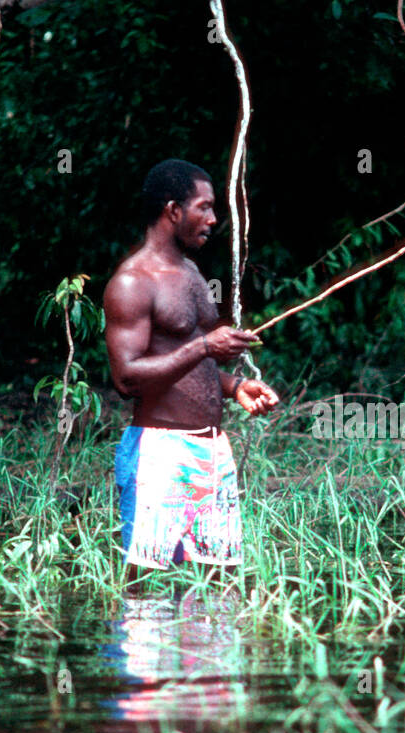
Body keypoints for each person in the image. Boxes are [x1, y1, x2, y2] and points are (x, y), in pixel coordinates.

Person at [104, 158, 279, 581]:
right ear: (173, 210)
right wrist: (205, 345)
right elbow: (127, 378)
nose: (214, 219)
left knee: (219, 584)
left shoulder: (192, 274)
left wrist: (234, 385)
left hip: (212, 450)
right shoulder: (132, 282)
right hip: (159, 453)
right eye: (204, 207)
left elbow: (186, 366)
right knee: (143, 585)